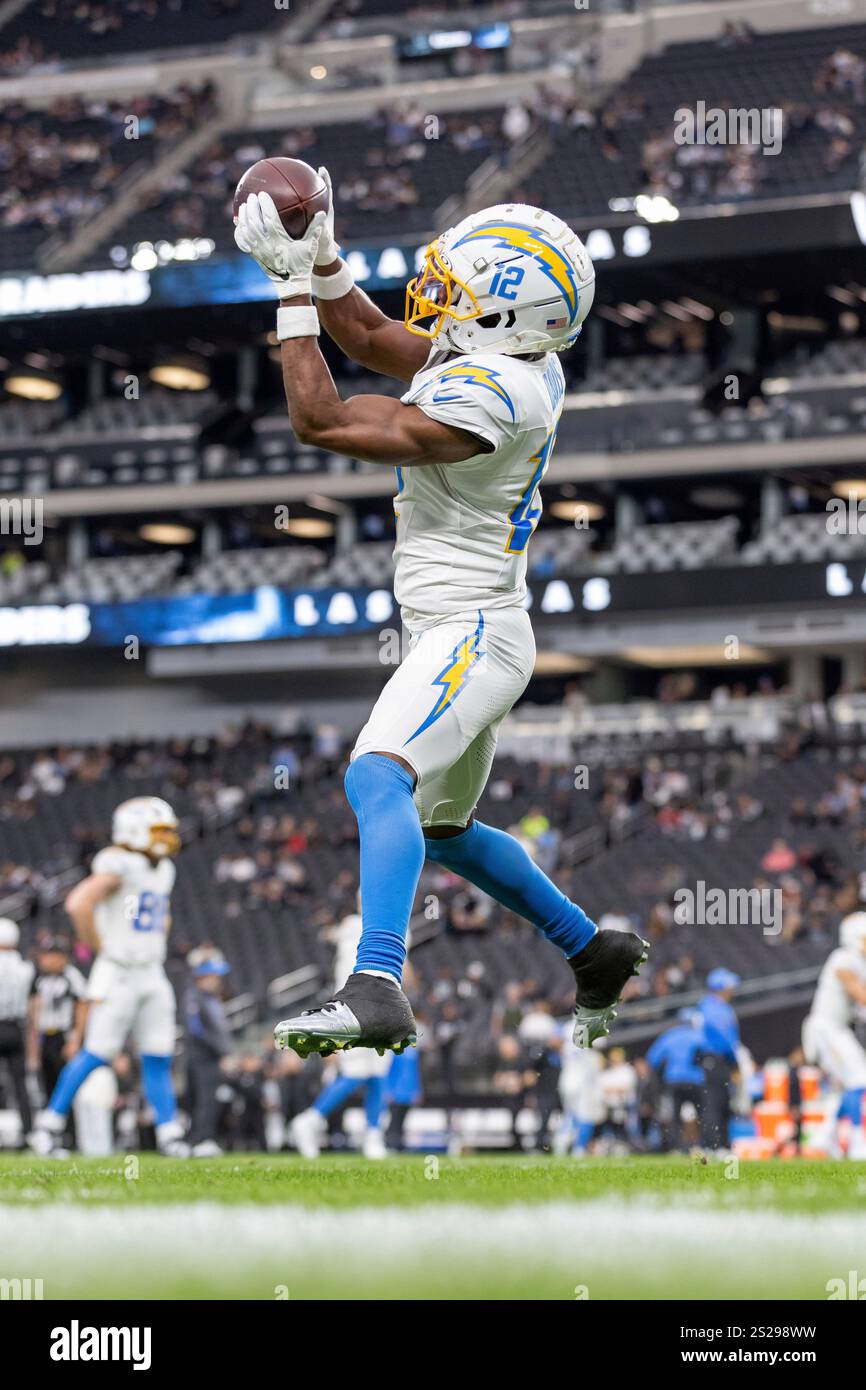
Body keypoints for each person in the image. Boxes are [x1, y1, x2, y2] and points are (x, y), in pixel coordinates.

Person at [234, 176, 648, 1063]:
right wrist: (325, 256)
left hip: (471, 629)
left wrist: (289, 289)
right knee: (444, 830)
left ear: (503, 317)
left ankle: (376, 984)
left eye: (458, 292)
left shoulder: (493, 394)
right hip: (470, 627)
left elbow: (325, 421)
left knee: (377, 781)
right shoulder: (517, 358)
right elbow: (378, 336)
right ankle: (593, 949)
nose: (439, 299)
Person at [29, 797, 189, 1158]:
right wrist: (99, 946)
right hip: (120, 970)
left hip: (150, 969)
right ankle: (47, 1128)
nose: (167, 838)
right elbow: (78, 903)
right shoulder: (119, 863)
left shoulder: (162, 869)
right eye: (159, 831)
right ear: (134, 831)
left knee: (159, 1054)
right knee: (97, 1052)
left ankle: (169, 1134)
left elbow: (160, 915)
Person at [291, 905, 395, 1159]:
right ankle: (311, 1119)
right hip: (359, 1006)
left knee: (377, 1075)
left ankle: (372, 1135)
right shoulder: (358, 926)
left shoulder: (353, 926)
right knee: (356, 1073)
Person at [802, 911, 866, 1158]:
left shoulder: (857, 962)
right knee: (860, 1079)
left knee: (843, 1088)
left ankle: (820, 1142)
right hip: (827, 1028)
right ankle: (859, 1143)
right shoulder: (844, 959)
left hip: (836, 1028)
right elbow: (861, 996)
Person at [27, 936, 87, 1103]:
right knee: (47, 1084)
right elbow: (34, 1010)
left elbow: (82, 1007)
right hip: (45, 1036)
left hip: (64, 1035)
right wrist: (33, 1045)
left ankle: (69, 1127)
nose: (43, 960)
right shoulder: (39, 978)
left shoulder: (71, 976)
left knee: (67, 1084)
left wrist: (75, 1039)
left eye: (48, 955)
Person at [184, 951, 233, 1157]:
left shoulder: (210, 999)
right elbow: (197, 1030)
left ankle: (203, 1138)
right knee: (204, 1099)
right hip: (202, 1057)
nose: (218, 981)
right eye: (214, 976)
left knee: (210, 1098)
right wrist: (222, 1052)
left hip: (211, 1058)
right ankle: (201, 1139)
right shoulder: (195, 997)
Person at [645, 1008, 706, 1151]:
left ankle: (677, 1147)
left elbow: (652, 1058)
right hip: (695, 1080)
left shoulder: (670, 1036)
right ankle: (700, 1144)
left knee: (675, 1117)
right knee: (701, 1114)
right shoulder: (700, 1035)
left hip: (674, 1080)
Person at [696, 968, 741, 1151]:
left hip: (712, 1060)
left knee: (718, 1101)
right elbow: (725, 1040)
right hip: (716, 1060)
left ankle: (718, 1143)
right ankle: (716, 1144)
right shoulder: (716, 1008)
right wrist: (734, 1063)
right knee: (715, 1103)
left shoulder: (708, 1006)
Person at [0, 918, 34, 1145]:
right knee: (20, 1084)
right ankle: (29, 1132)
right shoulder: (26, 967)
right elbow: (32, 1005)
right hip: (15, 1027)